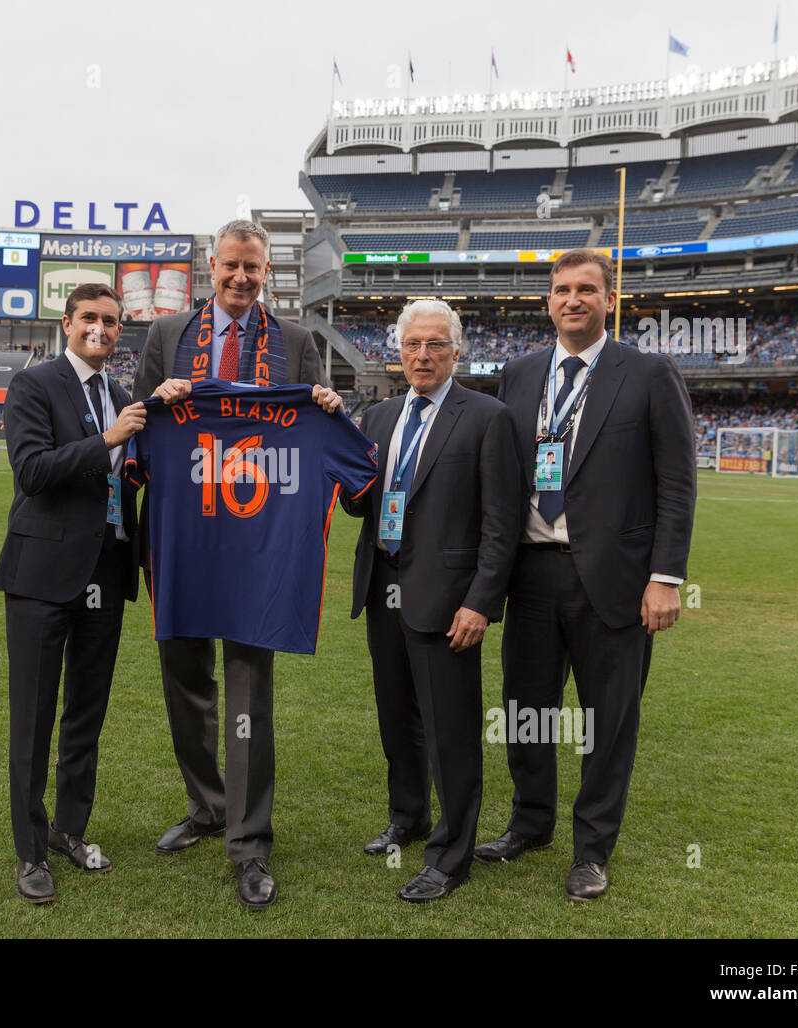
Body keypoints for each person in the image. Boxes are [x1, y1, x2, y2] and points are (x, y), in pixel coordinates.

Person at [134, 218, 343, 911]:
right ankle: (207, 804)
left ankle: (250, 844)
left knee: (250, 695)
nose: (242, 278)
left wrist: (330, 406)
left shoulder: (296, 343)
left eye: (253, 269)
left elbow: (318, 432)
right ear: (211, 267)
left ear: (267, 274)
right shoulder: (167, 338)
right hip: (186, 545)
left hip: (261, 549)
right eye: (231, 266)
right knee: (185, 679)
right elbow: (136, 426)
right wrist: (155, 404)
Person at [477, 249, 696, 901]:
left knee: (608, 722)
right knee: (527, 712)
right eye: (561, 290)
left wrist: (667, 576)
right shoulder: (517, 374)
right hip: (533, 574)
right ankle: (530, 823)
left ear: (608, 299)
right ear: (548, 300)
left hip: (618, 581)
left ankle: (592, 850)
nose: (572, 299)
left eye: (585, 290)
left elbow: (677, 482)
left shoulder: (649, 372)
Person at [343, 299, 523, 902]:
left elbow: (502, 524)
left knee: (450, 729)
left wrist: (480, 601)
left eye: (436, 345)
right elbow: (358, 504)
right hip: (383, 587)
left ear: (456, 350)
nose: (423, 355)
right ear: (398, 351)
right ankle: (409, 816)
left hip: (448, 599)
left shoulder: (487, 417)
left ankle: (451, 853)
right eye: (413, 344)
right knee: (398, 718)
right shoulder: (379, 416)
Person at [0, 283, 147, 905]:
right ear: (67, 323)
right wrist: (107, 442)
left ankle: (69, 831)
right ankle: (30, 853)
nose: (101, 329)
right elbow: (32, 470)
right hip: (40, 576)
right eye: (90, 319)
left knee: (86, 712)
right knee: (32, 716)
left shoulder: (121, 394)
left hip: (106, 571)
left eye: (111, 321)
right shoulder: (35, 385)